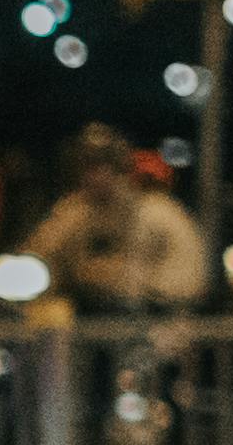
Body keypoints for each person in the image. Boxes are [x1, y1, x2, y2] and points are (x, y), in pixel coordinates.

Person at [40, 128, 205, 311]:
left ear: (121, 169)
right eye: (85, 166)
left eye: (101, 166)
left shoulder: (157, 211)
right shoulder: (74, 210)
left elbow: (189, 278)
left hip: (154, 316)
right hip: (88, 313)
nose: (92, 175)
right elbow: (43, 251)